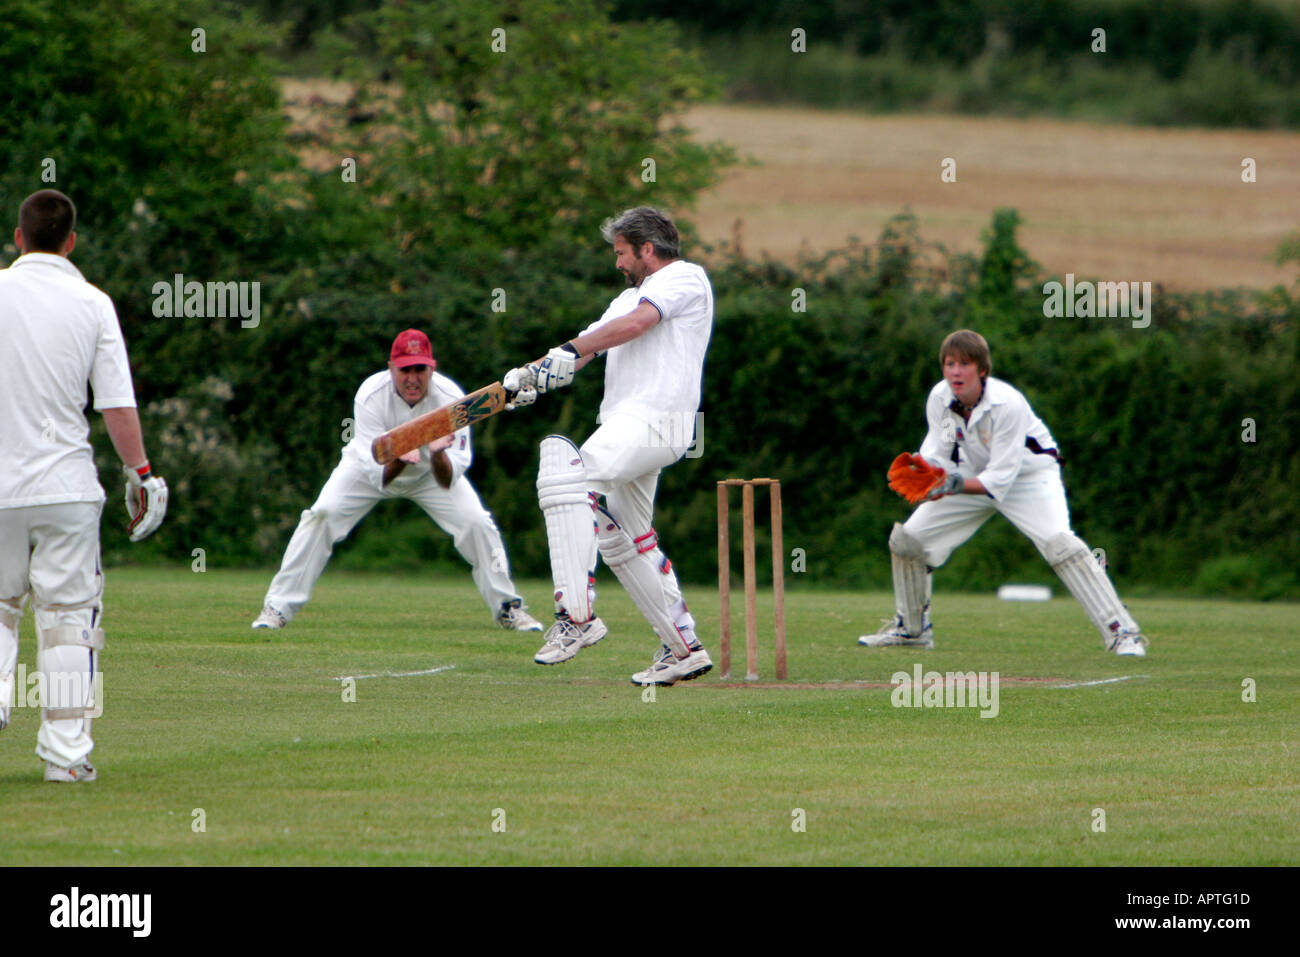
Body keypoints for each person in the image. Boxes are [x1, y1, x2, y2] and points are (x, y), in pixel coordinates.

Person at [503, 206, 714, 685]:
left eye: (622, 253)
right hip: (631, 424)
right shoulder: (625, 301)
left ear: (647, 248)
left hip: (656, 418)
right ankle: (683, 648)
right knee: (624, 539)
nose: (618, 264)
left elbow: (639, 325)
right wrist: (529, 376)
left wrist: (571, 353)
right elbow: (588, 345)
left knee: (568, 473)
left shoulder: (685, 278)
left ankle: (575, 616)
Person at [0, 189, 169, 783]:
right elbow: (117, 405)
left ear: (18, 238)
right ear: (71, 241)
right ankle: (65, 760)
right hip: (65, 487)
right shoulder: (92, 302)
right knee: (69, 618)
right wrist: (141, 473)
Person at [859, 329, 1148, 656]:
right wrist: (926, 475)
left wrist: (951, 484)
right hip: (972, 471)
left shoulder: (1008, 404)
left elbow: (999, 478)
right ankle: (912, 631)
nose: (955, 371)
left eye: (964, 364)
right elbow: (940, 451)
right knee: (907, 540)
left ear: (982, 370)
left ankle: (1122, 631)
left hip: (1029, 474)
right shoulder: (940, 398)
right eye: (949, 363)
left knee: (1059, 543)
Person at [252, 329, 542, 633]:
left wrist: (439, 455)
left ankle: (508, 608)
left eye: (420, 369)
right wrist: (399, 459)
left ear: (432, 368)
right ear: (391, 368)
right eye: (405, 370)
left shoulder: (453, 400)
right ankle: (277, 607)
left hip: (431, 472)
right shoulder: (370, 396)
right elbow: (378, 478)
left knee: (477, 523)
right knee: (321, 514)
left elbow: (448, 480)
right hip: (368, 469)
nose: (413, 378)